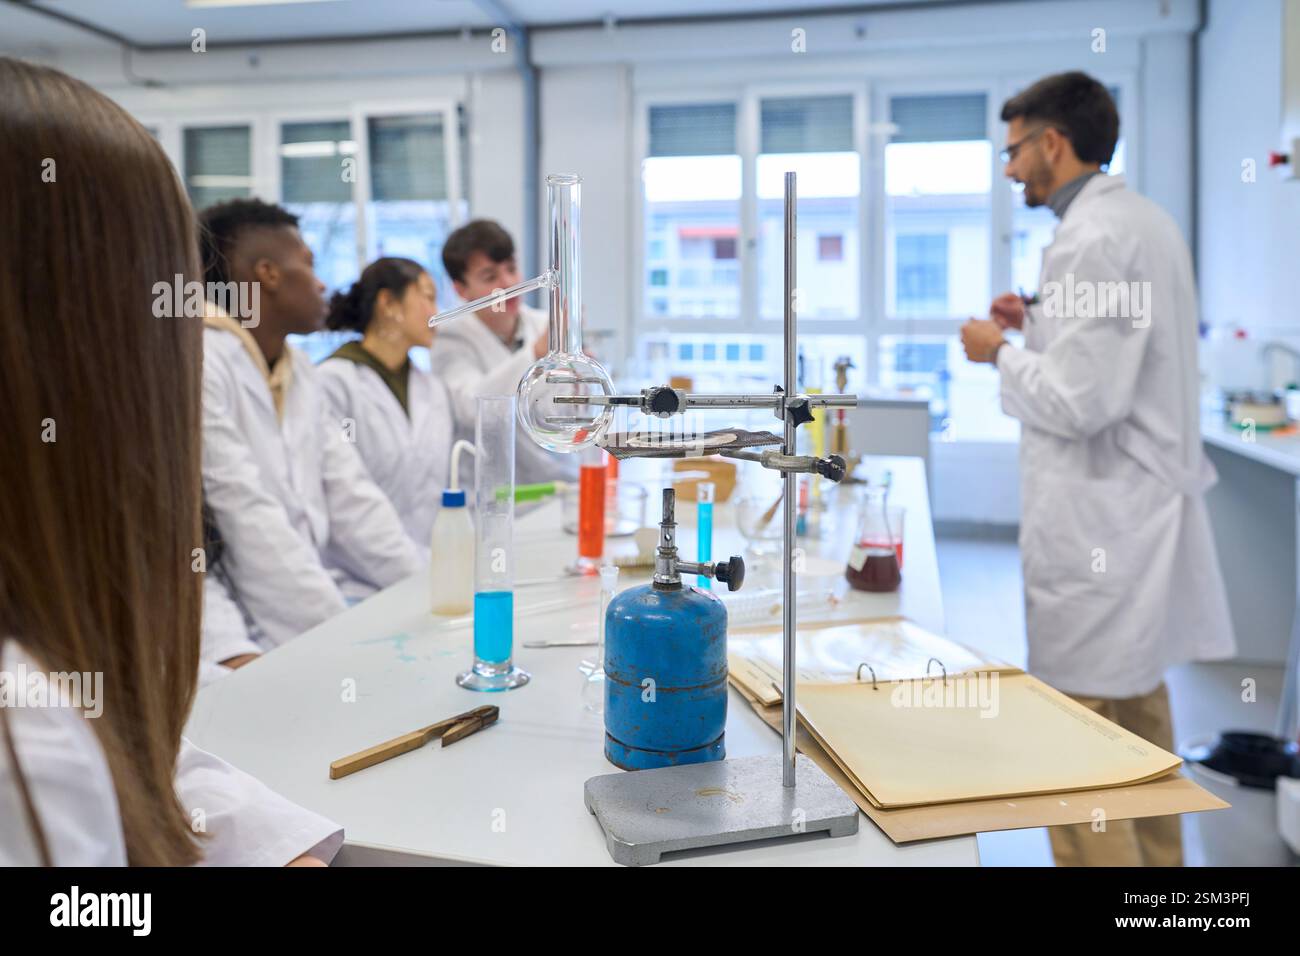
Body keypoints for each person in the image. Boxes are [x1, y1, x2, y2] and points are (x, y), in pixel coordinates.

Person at [0, 56, 341, 865]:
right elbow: (243, 523)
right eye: (164, 290)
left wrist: (266, 840)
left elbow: (135, 755)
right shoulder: (25, 738)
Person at [960, 71, 1235, 867]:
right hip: (1133, 513)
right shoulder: (1140, 220)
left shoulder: (1090, 238)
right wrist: (1039, 320)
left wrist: (999, 350)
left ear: (1054, 141)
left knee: (1076, 734)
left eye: (1014, 150)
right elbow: (1114, 357)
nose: (1010, 170)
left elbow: (1083, 403)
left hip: (1098, 521)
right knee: (1138, 714)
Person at [198, 199, 420, 665]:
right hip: (234, 633)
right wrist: (337, 641)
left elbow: (352, 498)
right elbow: (247, 516)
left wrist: (429, 587)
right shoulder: (203, 362)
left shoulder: (298, 368)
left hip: (308, 609)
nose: (321, 283)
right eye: (309, 264)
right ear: (268, 274)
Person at [317, 258, 454, 547]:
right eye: (428, 297)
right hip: (354, 578)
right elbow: (345, 501)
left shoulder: (432, 389)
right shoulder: (333, 383)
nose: (435, 312)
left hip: (426, 566)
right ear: (389, 303)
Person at [431, 219, 575, 485]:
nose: (507, 284)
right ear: (460, 289)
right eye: (490, 276)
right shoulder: (450, 341)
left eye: (511, 269)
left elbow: (566, 416)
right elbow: (472, 408)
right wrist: (535, 353)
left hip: (560, 486)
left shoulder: (544, 325)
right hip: (491, 497)